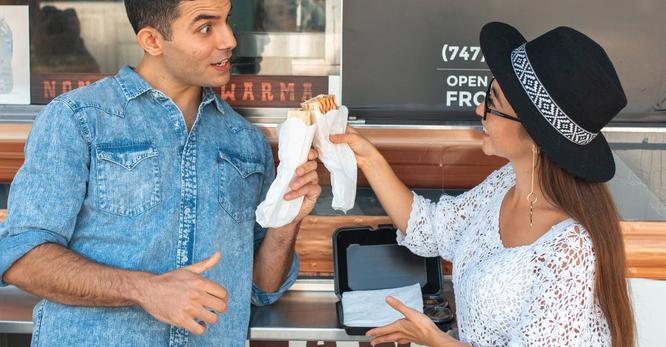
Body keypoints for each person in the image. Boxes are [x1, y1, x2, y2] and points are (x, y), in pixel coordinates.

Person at [0, 0, 321, 346]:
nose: (229, 39)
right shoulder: (78, 119)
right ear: (152, 41)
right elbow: (22, 257)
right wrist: (146, 290)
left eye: (227, 22)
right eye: (205, 27)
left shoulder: (246, 142)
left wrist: (288, 219)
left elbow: (261, 288)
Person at [331, 22, 634, 347]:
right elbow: (432, 229)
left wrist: (433, 339)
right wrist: (368, 159)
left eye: (493, 102)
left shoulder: (571, 250)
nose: (479, 109)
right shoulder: (507, 183)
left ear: (535, 135)